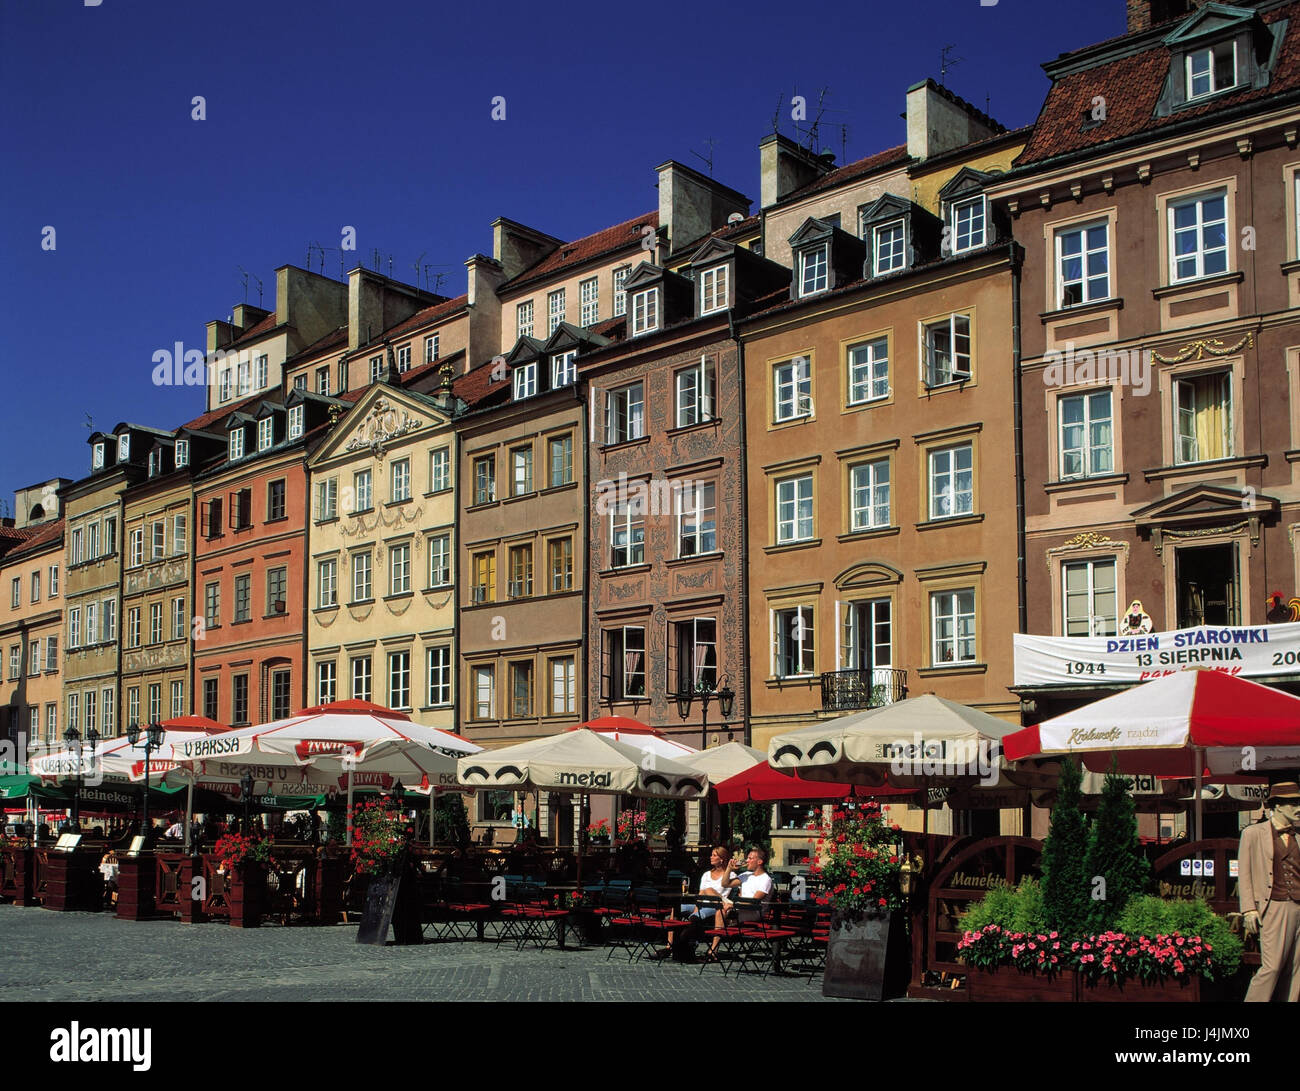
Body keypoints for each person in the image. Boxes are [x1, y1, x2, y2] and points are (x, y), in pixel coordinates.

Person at [1239, 780, 1300, 1002]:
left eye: (1298, 802)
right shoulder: (1253, 833)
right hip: (1273, 906)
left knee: (1297, 969)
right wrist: (1248, 909)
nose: (1298, 808)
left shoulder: (1299, 835)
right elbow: (1244, 872)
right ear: (1277, 806)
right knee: (1272, 967)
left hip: (1298, 905)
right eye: (1292, 803)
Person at [654, 845, 737, 962]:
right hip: (702, 902)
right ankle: (669, 945)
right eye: (711, 855)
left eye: (714, 855)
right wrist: (697, 907)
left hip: (716, 905)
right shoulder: (707, 874)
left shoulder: (730, 876)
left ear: (722, 859)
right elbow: (701, 894)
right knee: (676, 908)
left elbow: (724, 896)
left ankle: (700, 946)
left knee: (709, 891)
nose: (710, 857)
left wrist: (709, 895)